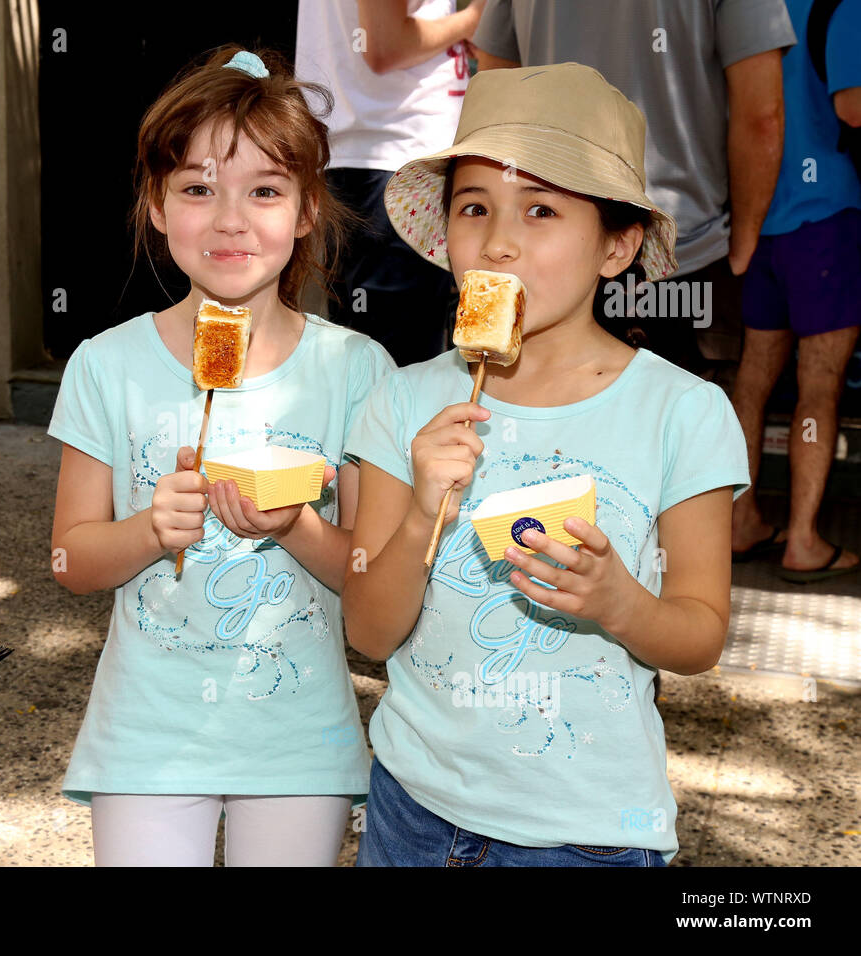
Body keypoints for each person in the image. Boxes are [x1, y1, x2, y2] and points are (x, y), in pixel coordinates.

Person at [343, 63, 751, 866]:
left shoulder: (685, 413)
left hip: (586, 834)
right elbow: (368, 630)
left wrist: (619, 602)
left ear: (617, 245)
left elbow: (700, 636)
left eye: (541, 209)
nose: (498, 240)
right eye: (474, 208)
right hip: (411, 807)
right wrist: (425, 512)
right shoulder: (401, 402)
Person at [48, 47, 394, 866]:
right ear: (157, 206)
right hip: (146, 732)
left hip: (297, 736)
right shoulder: (106, 363)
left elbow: (373, 583)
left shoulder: (358, 371)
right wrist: (146, 531)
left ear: (308, 209)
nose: (231, 220)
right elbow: (70, 558)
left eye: (265, 190)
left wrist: (298, 527)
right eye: (198, 188)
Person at [470, 0, 796, 380]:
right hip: (683, 252)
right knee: (685, 425)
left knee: (545, 422)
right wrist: (741, 245)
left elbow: (494, 95)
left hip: (547, 243)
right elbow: (762, 117)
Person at [730, 0, 861, 581]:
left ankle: (740, 521)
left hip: (758, 217)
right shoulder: (845, 5)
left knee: (753, 378)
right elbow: (852, 107)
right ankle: (803, 541)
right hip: (825, 216)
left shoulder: (747, 9)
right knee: (819, 386)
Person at [296, 0, 484, 365]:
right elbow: (383, 45)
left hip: (375, 156)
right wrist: (473, 19)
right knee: (394, 371)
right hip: (394, 162)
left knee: (371, 362)